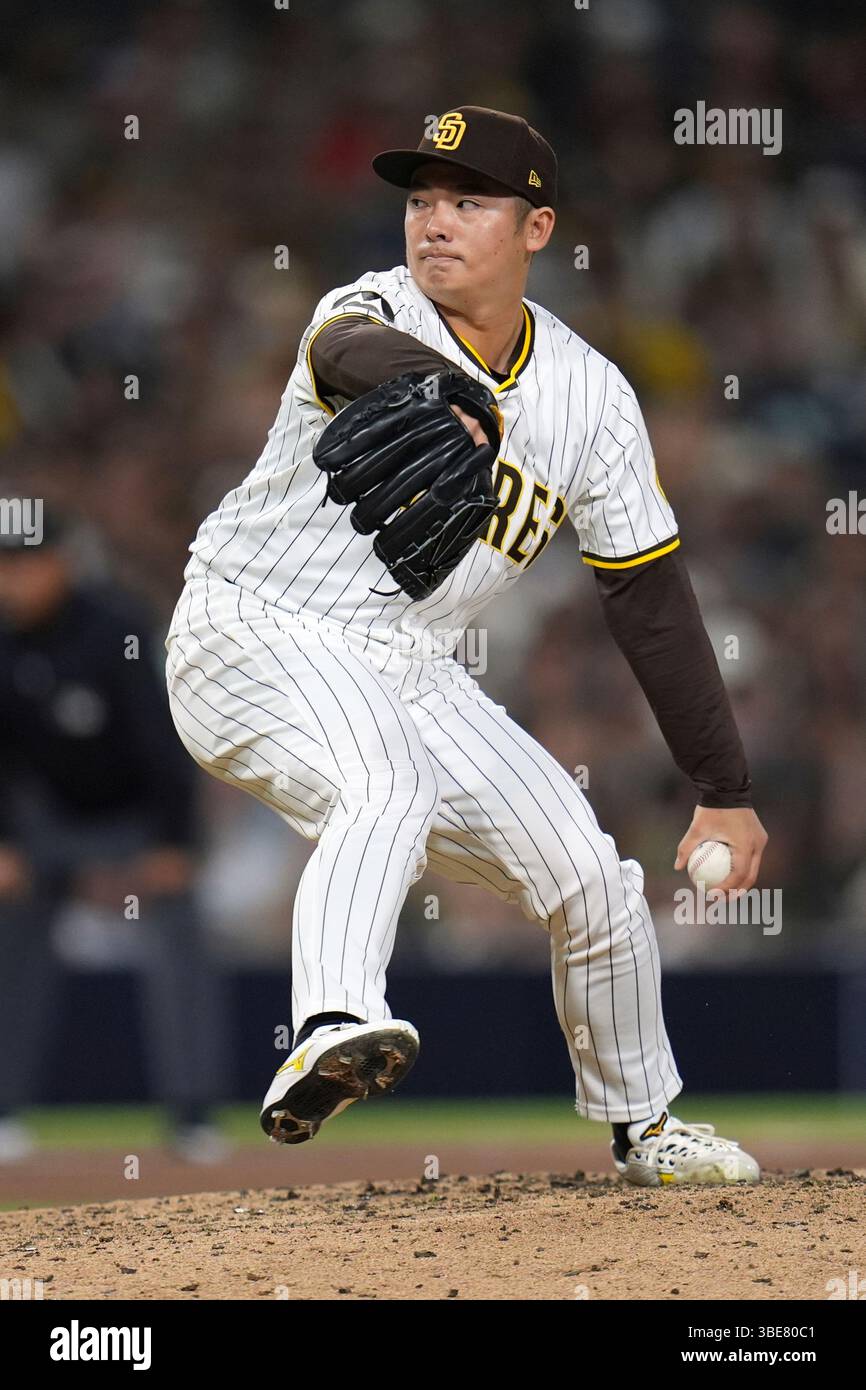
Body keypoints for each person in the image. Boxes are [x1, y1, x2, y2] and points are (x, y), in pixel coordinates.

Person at [165, 106, 768, 1185]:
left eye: (468, 201)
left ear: (536, 229)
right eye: (419, 199)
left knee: (589, 875)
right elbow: (342, 350)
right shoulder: (372, 308)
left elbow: (649, 599)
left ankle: (645, 1125)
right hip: (252, 625)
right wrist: (434, 387)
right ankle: (332, 1021)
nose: (433, 222)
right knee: (381, 783)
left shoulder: (589, 397)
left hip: (404, 664)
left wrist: (721, 784)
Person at [0, 510, 227, 1163]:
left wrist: (174, 844)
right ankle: (4, 1110)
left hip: (133, 816)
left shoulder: (115, 627)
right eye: (4, 565)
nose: (11, 580)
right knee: (11, 937)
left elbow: (165, 739)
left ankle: (194, 1114)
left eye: (24, 563)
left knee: (178, 938)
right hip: (48, 821)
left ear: (61, 563)